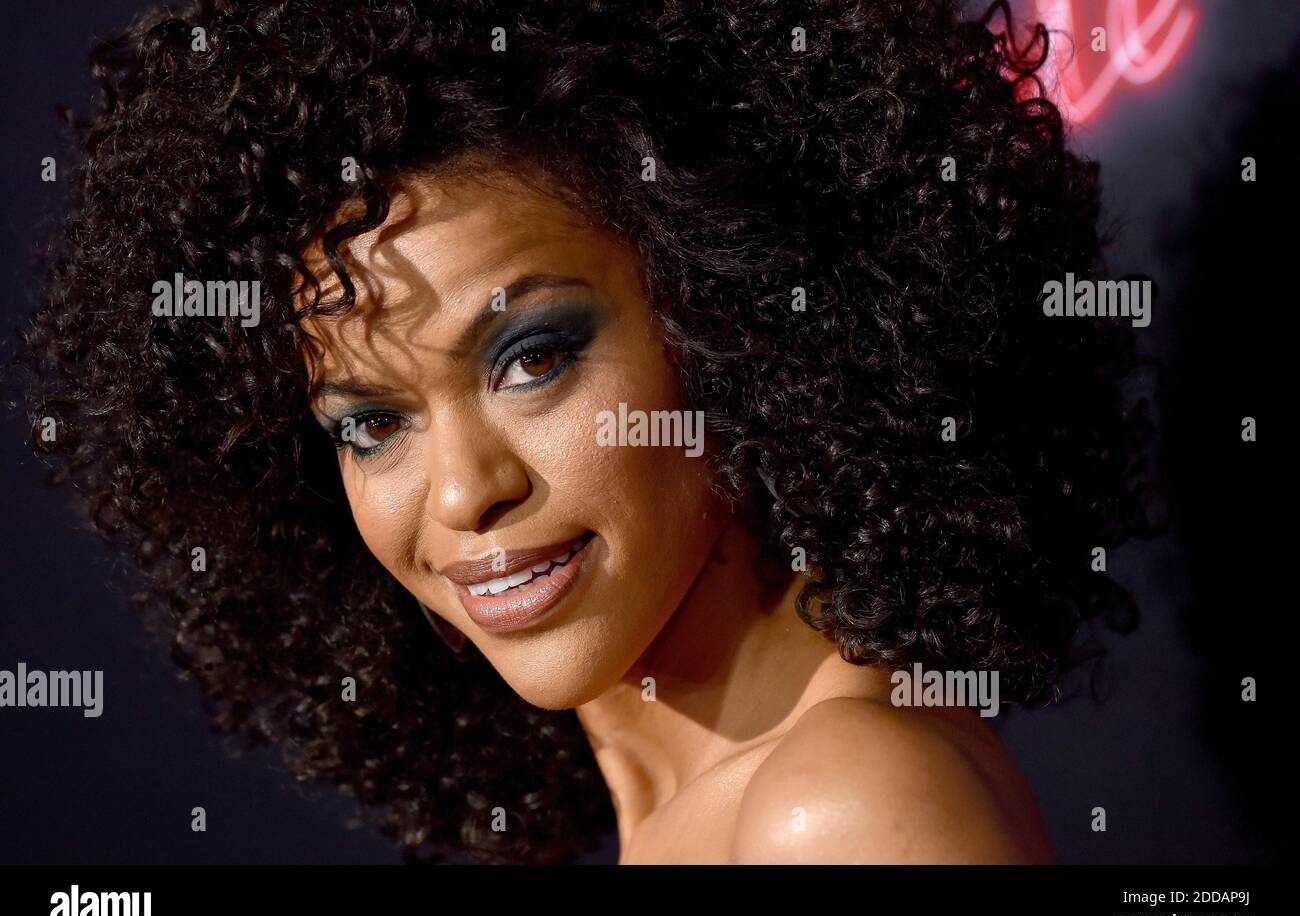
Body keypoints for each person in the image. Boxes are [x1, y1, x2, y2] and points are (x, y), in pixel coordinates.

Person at [23, 0, 1153, 863]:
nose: (464, 493)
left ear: (728, 316)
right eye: (370, 423)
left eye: (534, 358)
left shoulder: (836, 811)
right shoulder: (699, 806)